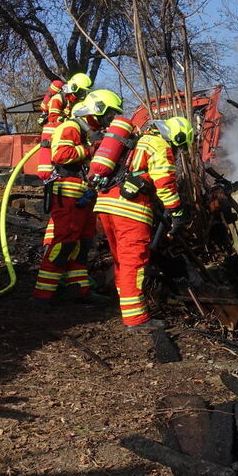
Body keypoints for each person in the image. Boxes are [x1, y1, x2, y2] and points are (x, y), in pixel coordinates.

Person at [93, 116, 193, 331]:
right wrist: (177, 212)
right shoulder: (159, 144)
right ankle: (136, 319)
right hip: (129, 211)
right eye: (179, 146)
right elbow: (164, 182)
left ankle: (126, 307)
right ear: (177, 138)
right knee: (133, 263)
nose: (177, 151)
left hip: (106, 205)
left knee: (121, 261)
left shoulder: (138, 140)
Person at [30, 89, 121, 308]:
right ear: (97, 110)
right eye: (108, 114)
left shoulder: (90, 131)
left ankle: (79, 290)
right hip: (68, 193)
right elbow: (60, 155)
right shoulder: (71, 127)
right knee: (65, 242)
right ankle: (42, 295)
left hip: (83, 194)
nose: (109, 120)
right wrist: (89, 150)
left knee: (82, 243)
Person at [36, 73, 92, 181]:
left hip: (65, 133)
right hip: (53, 132)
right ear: (73, 88)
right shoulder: (58, 98)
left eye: (84, 91)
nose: (82, 94)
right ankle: (50, 176)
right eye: (81, 91)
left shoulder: (74, 101)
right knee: (50, 162)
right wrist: (70, 121)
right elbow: (53, 118)